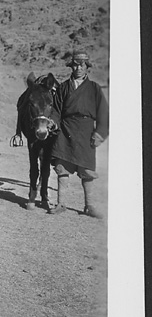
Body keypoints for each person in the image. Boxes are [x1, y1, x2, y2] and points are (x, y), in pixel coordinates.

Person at [48, 51, 109, 218]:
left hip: (86, 131)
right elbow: (56, 111)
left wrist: (99, 134)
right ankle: (61, 204)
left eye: (81, 65)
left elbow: (104, 113)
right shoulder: (63, 88)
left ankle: (89, 206)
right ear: (71, 67)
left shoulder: (94, 88)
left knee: (87, 170)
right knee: (62, 168)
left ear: (87, 67)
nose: (78, 68)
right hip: (66, 129)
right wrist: (53, 122)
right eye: (75, 65)